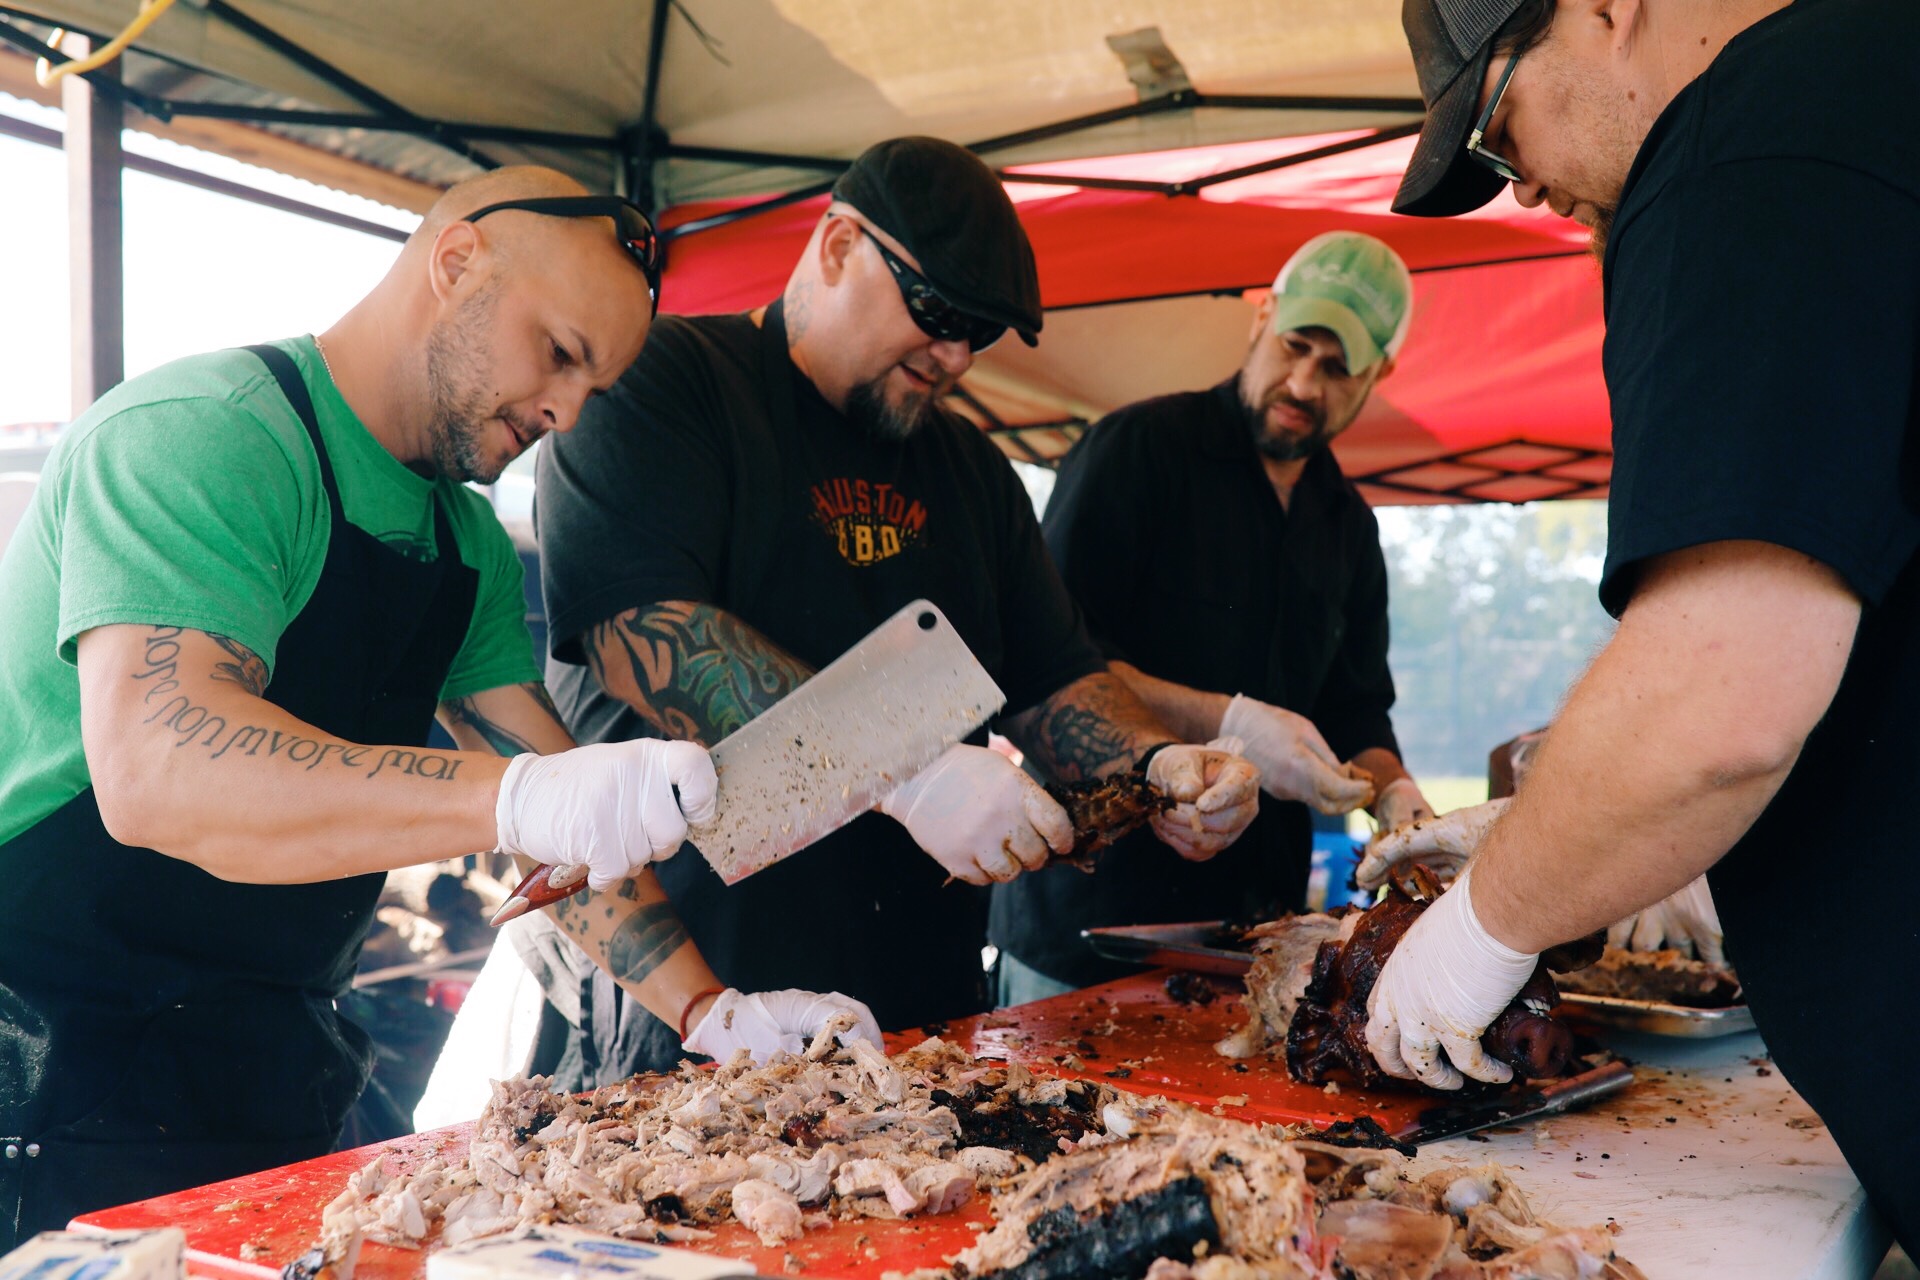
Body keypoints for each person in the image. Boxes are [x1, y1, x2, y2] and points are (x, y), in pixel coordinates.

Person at [0, 167, 861, 1245]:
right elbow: (161, 768)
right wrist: (518, 796)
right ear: (455, 262)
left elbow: (567, 831)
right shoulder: (207, 437)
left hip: (275, 1072)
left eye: (593, 390)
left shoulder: (464, 543)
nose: (566, 413)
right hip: (44, 1074)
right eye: (561, 354)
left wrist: (711, 1011)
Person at [1361, 0, 1917, 1251]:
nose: (1523, 193)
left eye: (1501, 134)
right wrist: (1595, 827)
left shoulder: (1738, 138)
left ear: (1608, 13)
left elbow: (1719, 699)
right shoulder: (1871, 88)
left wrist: (1488, 920)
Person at [530, 135, 1262, 1082]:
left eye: (981, 332)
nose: (956, 354)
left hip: (925, 1014)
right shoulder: (663, 384)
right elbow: (656, 641)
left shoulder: (975, 476)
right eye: (938, 310)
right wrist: (908, 777)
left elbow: (1054, 678)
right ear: (837, 247)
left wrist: (1158, 766)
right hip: (703, 1008)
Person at [989, 232, 1435, 1001]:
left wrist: (1401, 801)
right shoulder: (1137, 451)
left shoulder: (1348, 527)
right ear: (1262, 317)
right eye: (1296, 345)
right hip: (1086, 933)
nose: (1302, 382)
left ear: (1380, 375)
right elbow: (1047, 661)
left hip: (1251, 943)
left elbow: (1359, 710)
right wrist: (1226, 718)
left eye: (1337, 368)